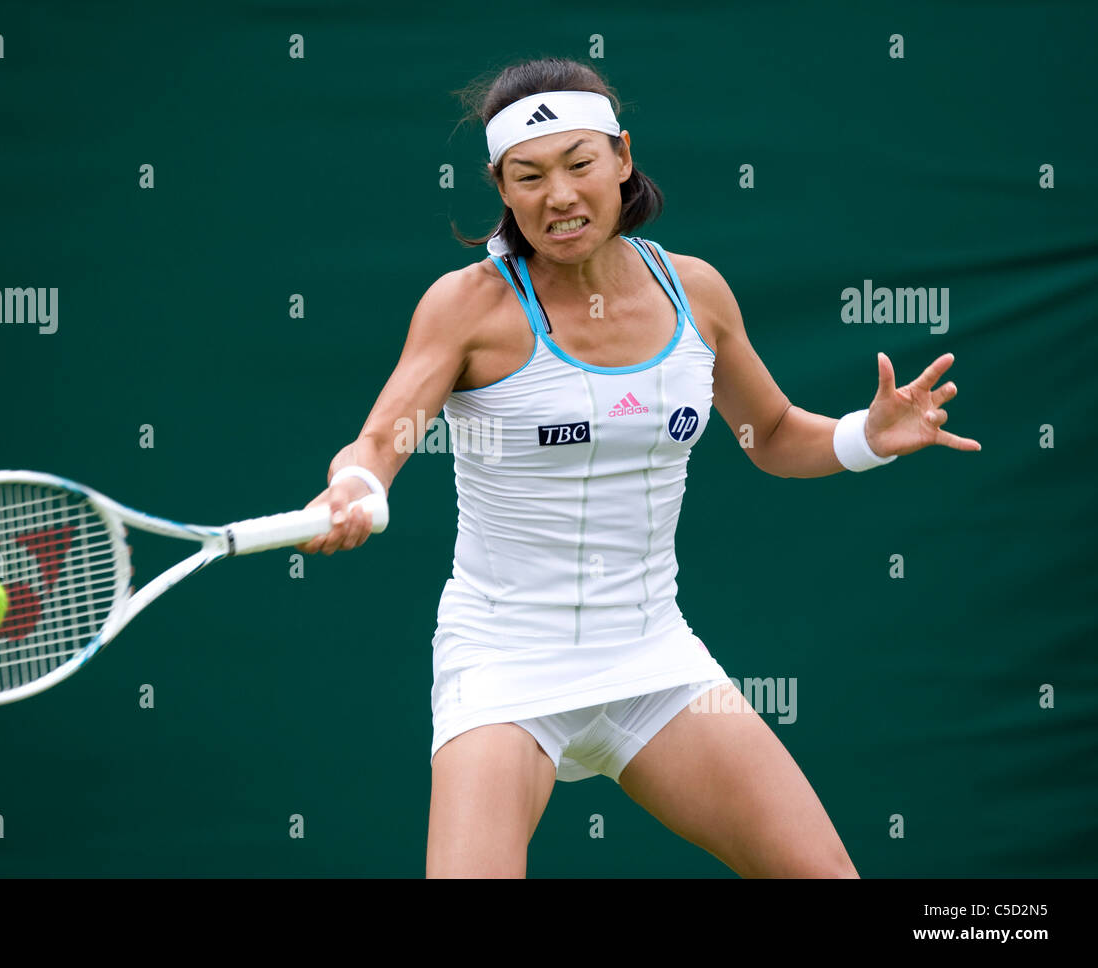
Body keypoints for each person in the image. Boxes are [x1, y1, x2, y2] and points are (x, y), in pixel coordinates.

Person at [294, 57, 980, 878]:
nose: (559, 196)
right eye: (529, 176)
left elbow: (773, 433)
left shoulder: (697, 292)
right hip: (504, 665)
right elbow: (380, 439)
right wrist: (357, 487)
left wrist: (865, 438)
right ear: (501, 189)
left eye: (580, 164)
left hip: (656, 658)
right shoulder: (467, 306)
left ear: (622, 158)